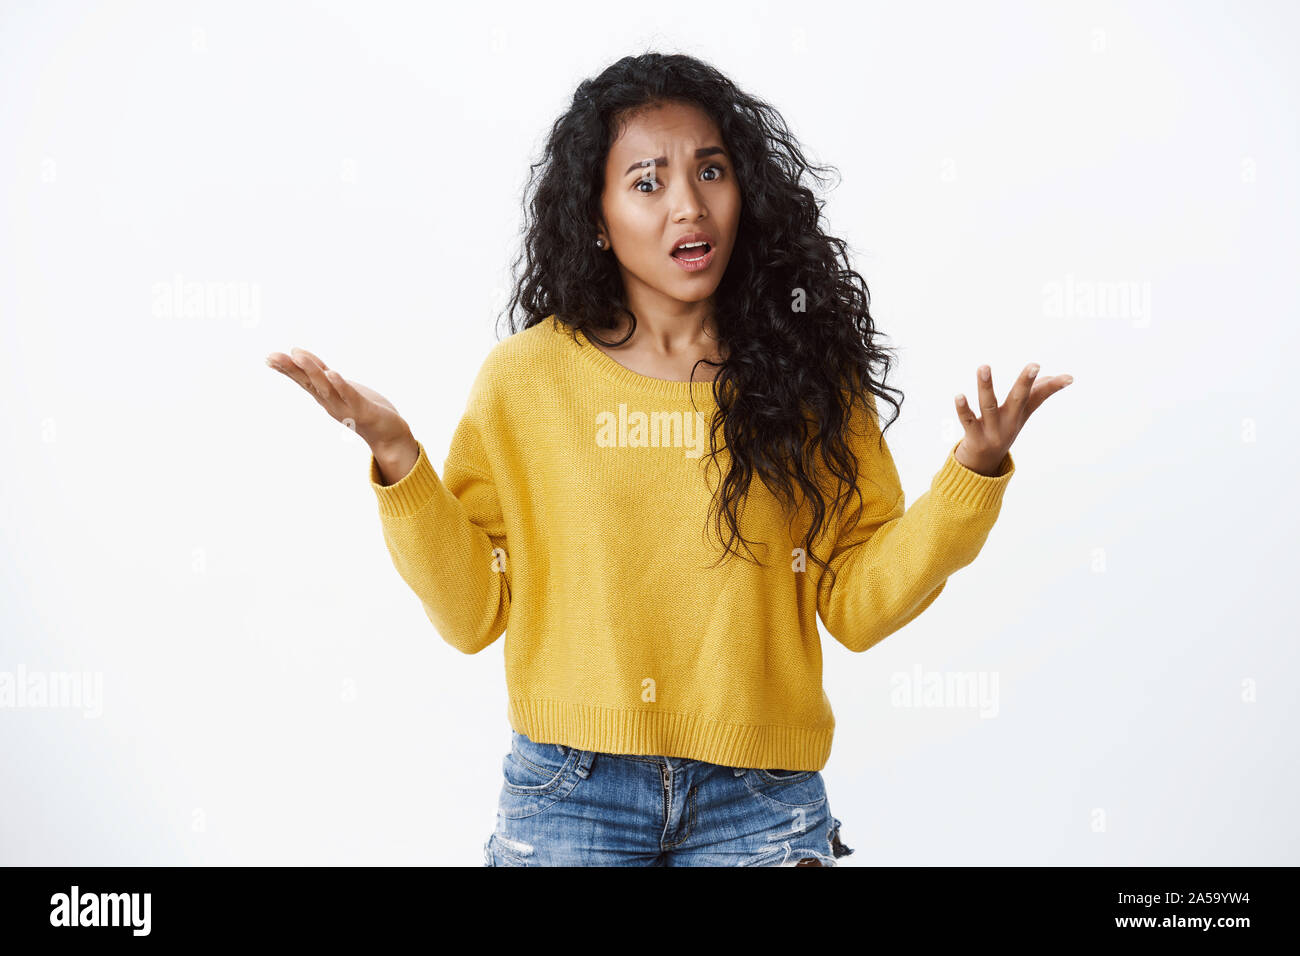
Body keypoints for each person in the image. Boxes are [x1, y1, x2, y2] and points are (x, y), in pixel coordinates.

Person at [266, 52, 1072, 866]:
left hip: (761, 799)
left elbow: (857, 606)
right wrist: (399, 458)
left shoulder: (803, 372)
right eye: (648, 183)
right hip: (568, 795)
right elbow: (474, 612)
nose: (690, 206)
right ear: (597, 215)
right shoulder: (526, 380)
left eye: (712, 171)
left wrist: (971, 475)